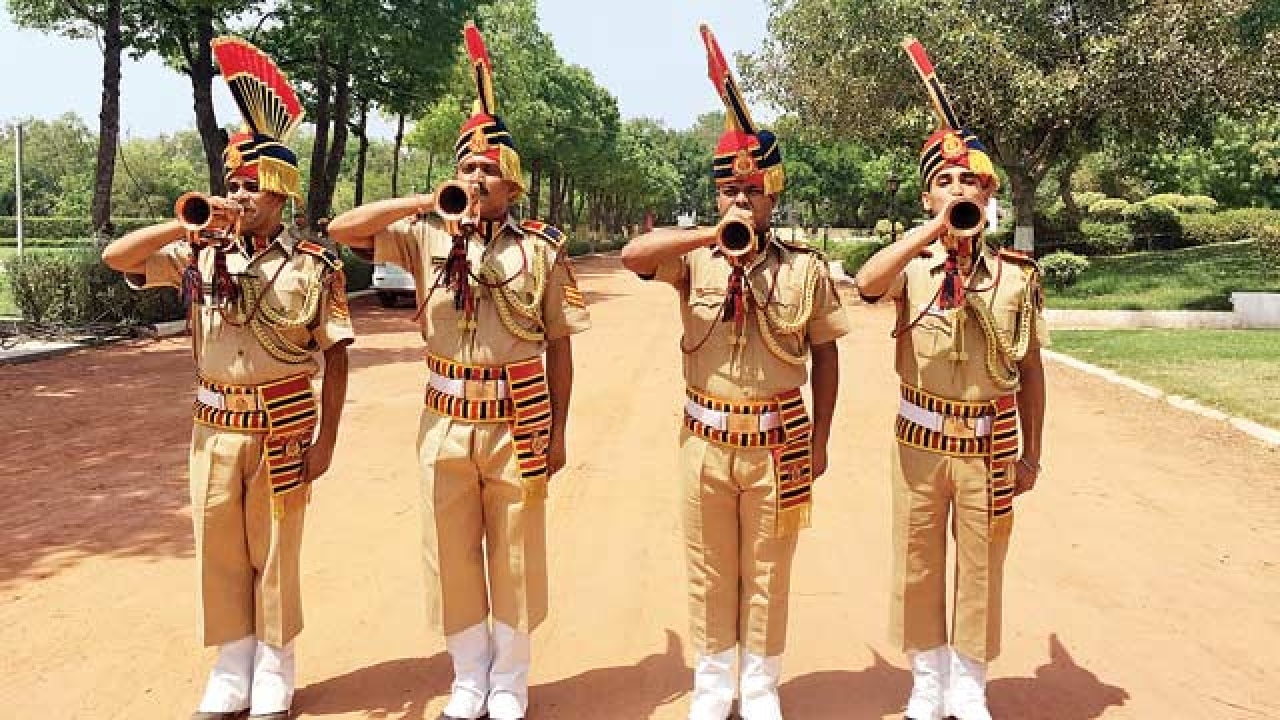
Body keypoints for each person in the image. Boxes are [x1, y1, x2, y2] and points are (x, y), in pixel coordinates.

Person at [326, 22, 589, 720]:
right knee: (450, 550)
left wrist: (559, 431)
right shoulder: (423, 234)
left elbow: (560, 346)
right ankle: (469, 674)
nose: (476, 179)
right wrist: (425, 203)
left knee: (514, 548)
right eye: (466, 167)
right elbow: (342, 230)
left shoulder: (540, 251)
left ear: (515, 185)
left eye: (489, 170)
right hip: (444, 417)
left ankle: (512, 678)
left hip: (518, 416)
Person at [102, 36, 354, 720]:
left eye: (251, 188)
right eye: (233, 184)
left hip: (284, 422)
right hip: (213, 422)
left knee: (273, 549)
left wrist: (326, 441)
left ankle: (277, 662)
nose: (239, 196)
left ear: (281, 195)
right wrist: (185, 221)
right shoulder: (196, 250)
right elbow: (115, 256)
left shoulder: (313, 264)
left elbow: (336, 355)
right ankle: (231, 661)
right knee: (218, 543)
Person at [620, 25, 848, 720]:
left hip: (779, 440)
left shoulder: (803, 267)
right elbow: (634, 255)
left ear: (775, 197)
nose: (742, 203)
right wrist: (709, 234)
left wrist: (822, 440)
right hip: (705, 441)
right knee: (711, 567)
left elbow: (827, 355)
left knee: (770, 570)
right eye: (730, 191)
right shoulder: (692, 260)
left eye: (754, 192)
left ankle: (763, 687)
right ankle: (715, 682)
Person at [853, 38, 1048, 720]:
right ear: (926, 192)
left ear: (989, 196)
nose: (959, 191)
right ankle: (926, 677)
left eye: (971, 183)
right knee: (919, 557)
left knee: (983, 561)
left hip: (991, 444)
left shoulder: (1018, 276)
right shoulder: (910, 266)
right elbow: (865, 284)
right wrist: (929, 232)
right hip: (920, 440)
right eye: (945, 182)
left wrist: (1032, 451)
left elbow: (1030, 372)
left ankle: (970, 680)